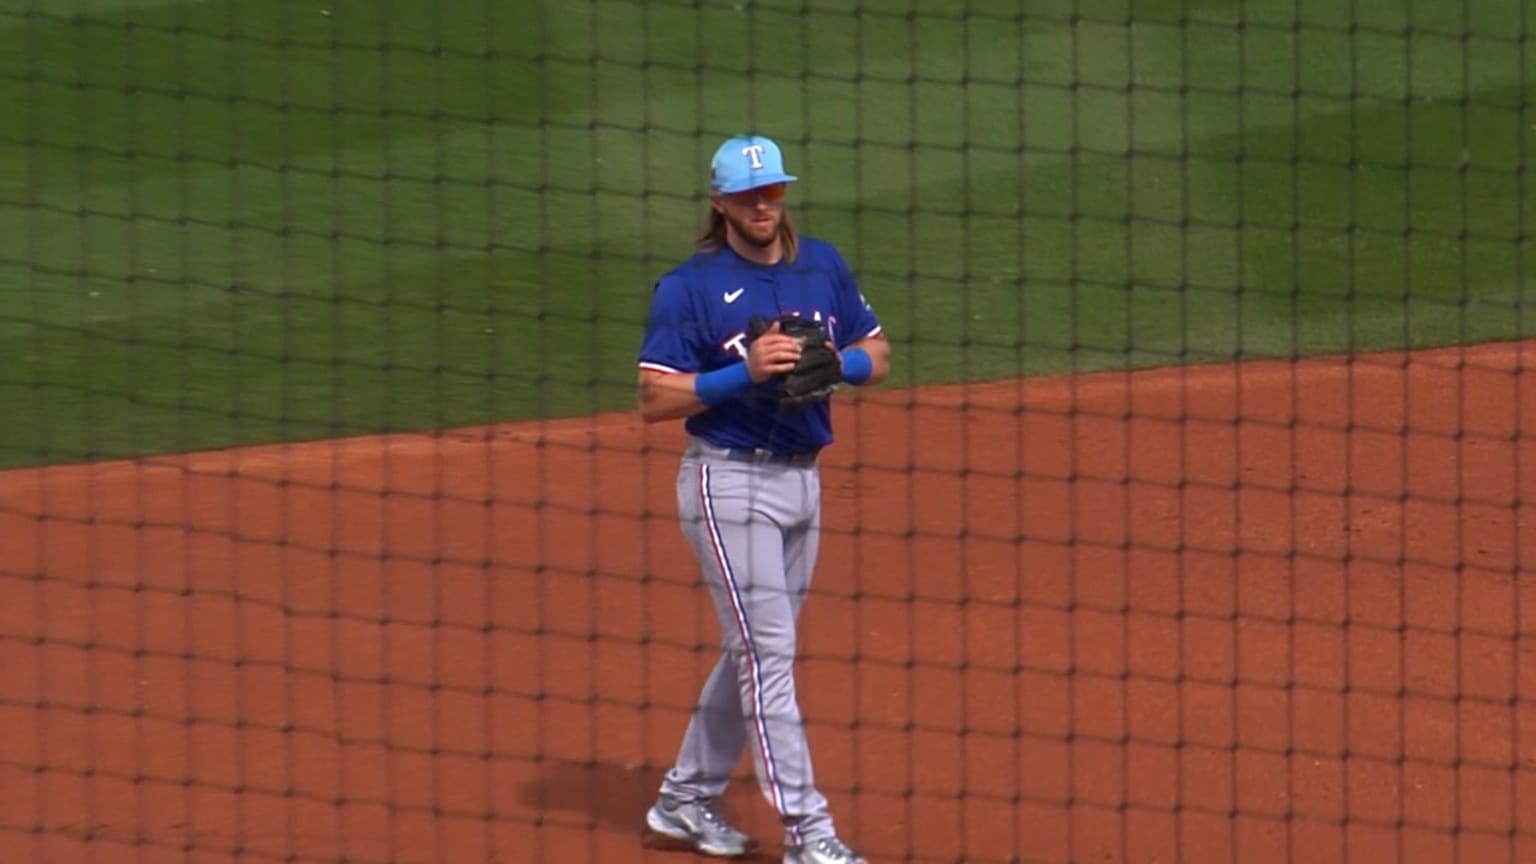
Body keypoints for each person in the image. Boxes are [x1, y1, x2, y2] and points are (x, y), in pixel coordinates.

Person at [634, 134, 891, 864]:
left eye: (772, 192)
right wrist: (741, 372)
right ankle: (811, 837)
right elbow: (653, 397)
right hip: (729, 481)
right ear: (720, 204)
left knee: (752, 649)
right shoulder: (689, 286)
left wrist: (839, 362)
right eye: (748, 196)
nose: (762, 206)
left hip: (804, 481)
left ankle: (684, 798)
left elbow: (881, 351)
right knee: (768, 653)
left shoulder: (823, 264)